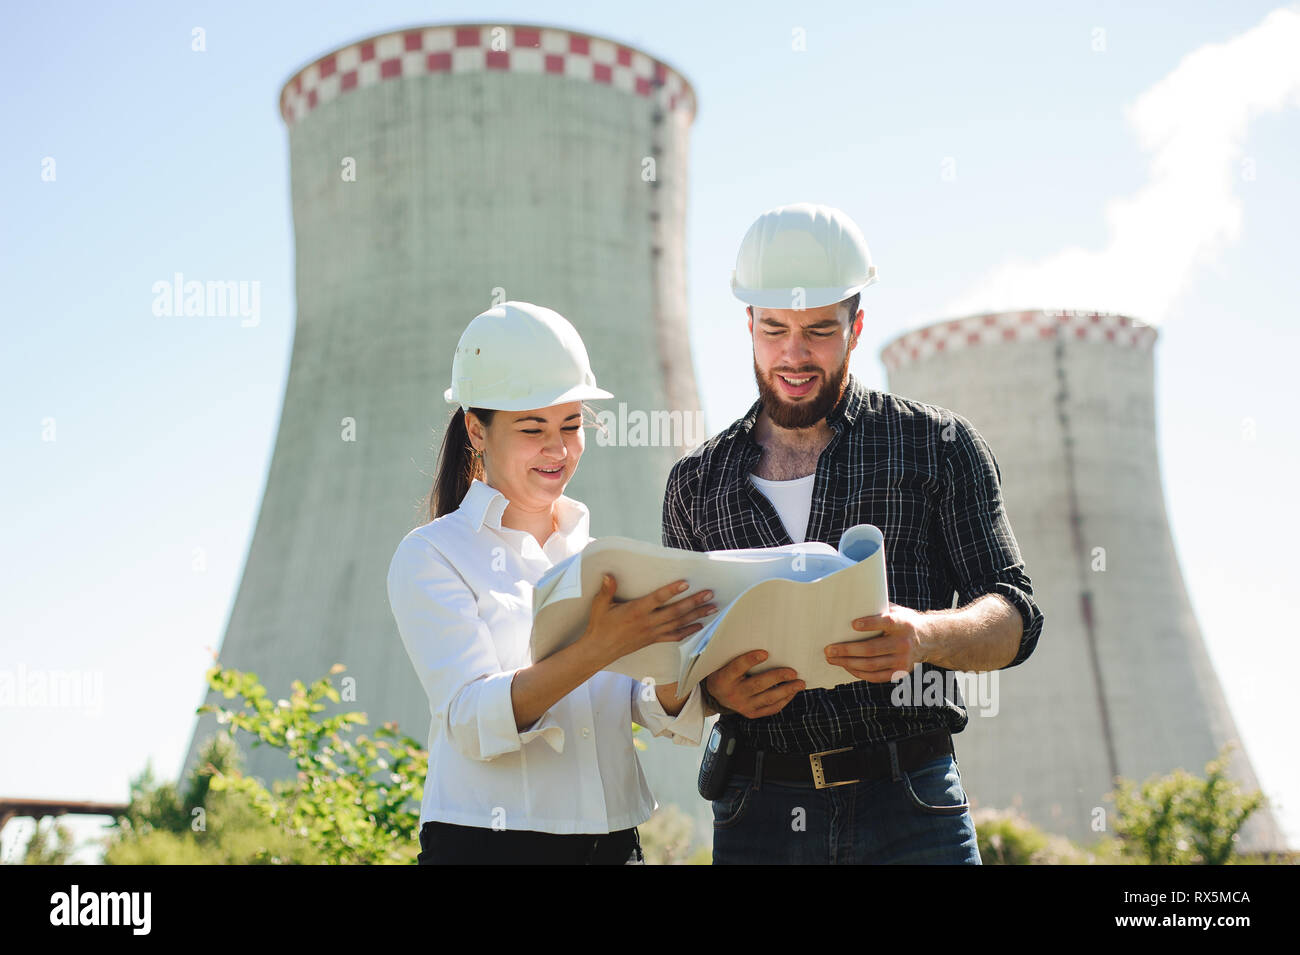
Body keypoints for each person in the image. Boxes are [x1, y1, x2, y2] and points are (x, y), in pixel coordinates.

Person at [664, 203, 1045, 865]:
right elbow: (671, 658)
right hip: (759, 811)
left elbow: (1015, 614)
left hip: (912, 803)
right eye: (774, 329)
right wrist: (714, 688)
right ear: (748, 324)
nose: (794, 354)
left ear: (856, 326)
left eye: (818, 331)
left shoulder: (938, 446)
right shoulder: (696, 481)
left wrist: (923, 635)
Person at [388, 300, 715, 865]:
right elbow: (471, 717)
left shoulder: (598, 561)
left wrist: (681, 662)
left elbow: (643, 704)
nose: (558, 449)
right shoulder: (433, 555)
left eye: (571, 426)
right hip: (488, 847)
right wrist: (601, 647)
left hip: (614, 844)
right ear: (477, 430)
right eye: (533, 428)